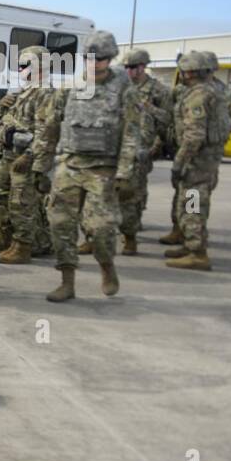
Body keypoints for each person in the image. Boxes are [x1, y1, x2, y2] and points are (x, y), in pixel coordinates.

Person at [30, 31, 140, 302]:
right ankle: (67, 282)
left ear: (110, 58)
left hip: (103, 169)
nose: (94, 64)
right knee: (60, 225)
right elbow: (50, 127)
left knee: (101, 229)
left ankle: (107, 266)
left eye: (100, 59)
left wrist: (125, 172)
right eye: (89, 58)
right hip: (69, 165)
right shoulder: (70, 87)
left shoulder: (125, 90)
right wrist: (39, 166)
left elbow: (132, 133)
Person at [163, 51, 227, 271]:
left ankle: (197, 253)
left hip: (196, 163)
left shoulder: (197, 96)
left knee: (191, 204)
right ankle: (191, 245)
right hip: (206, 160)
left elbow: (194, 136)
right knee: (196, 204)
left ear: (189, 72)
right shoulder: (212, 92)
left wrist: (179, 162)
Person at [0, 46, 52, 264]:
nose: (21, 70)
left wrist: (31, 157)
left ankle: (23, 246)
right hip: (9, 153)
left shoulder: (45, 92)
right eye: (20, 66)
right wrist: (1, 107)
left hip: (26, 156)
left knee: (21, 201)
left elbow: (47, 132)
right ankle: (6, 237)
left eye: (26, 66)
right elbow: (5, 119)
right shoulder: (23, 91)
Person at [117, 48, 171, 254]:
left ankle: (130, 234)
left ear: (142, 67)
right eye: (126, 67)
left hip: (143, 147)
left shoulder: (158, 90)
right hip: (120, 144)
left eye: (132, 67)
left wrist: (148, 107)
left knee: (135, 191)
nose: (129, 71)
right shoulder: (121, 88)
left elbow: (168, 119)